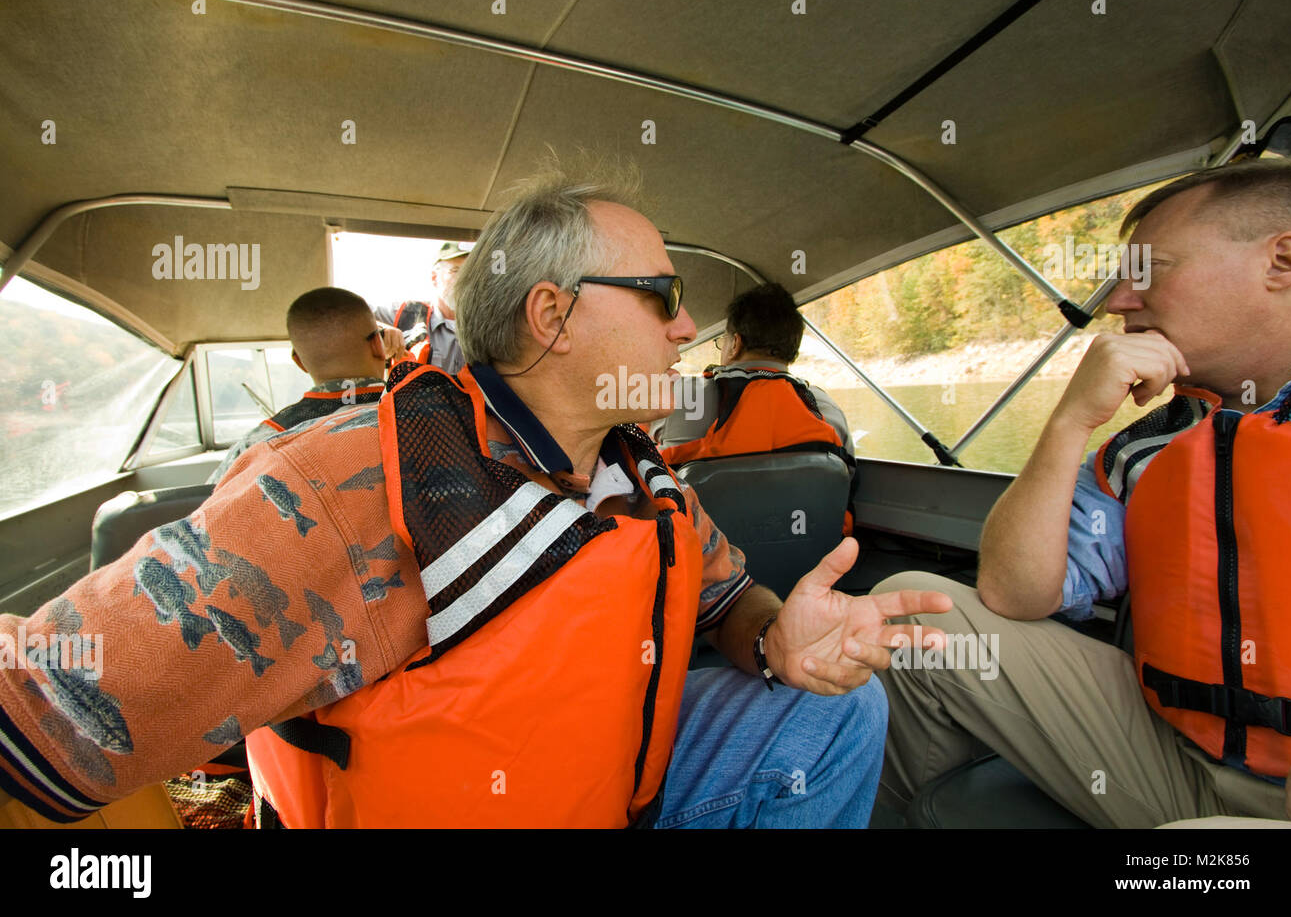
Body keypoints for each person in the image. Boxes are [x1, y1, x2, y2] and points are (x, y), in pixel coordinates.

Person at [0, 165, 950, 828]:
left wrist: (776, 637)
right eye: (662, 295)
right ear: (553, 316)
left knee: (844, 708)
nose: (689, 327)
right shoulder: (349, 487)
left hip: (624, 787)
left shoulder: (644, 473)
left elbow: (728, 599)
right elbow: (37, 707)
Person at [873, 159, 1291, 827]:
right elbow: (1015, 594)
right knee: (916, 618)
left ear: (1284, 262)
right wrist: (1071, 420)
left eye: (1149, 272)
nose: (1117, 301)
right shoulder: (1152, 447)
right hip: (1178, 758)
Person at [208, 287, 399, 483]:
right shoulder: (420, 415)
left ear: (299, 362)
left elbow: (207, 503)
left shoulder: (260, 443)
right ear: (378, 345)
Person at [653, 283, 853, 464]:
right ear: (793, 350)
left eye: (723, 341)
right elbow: (847, 476)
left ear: (735, 344)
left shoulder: (682, 394)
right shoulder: (826, 408)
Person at [373, 240, 468, 372]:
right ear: (435, 278)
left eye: (471, 273)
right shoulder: (405, 314)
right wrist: (381, 328)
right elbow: (352, 314)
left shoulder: (488, 328)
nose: (465, 279)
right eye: (456, 271)